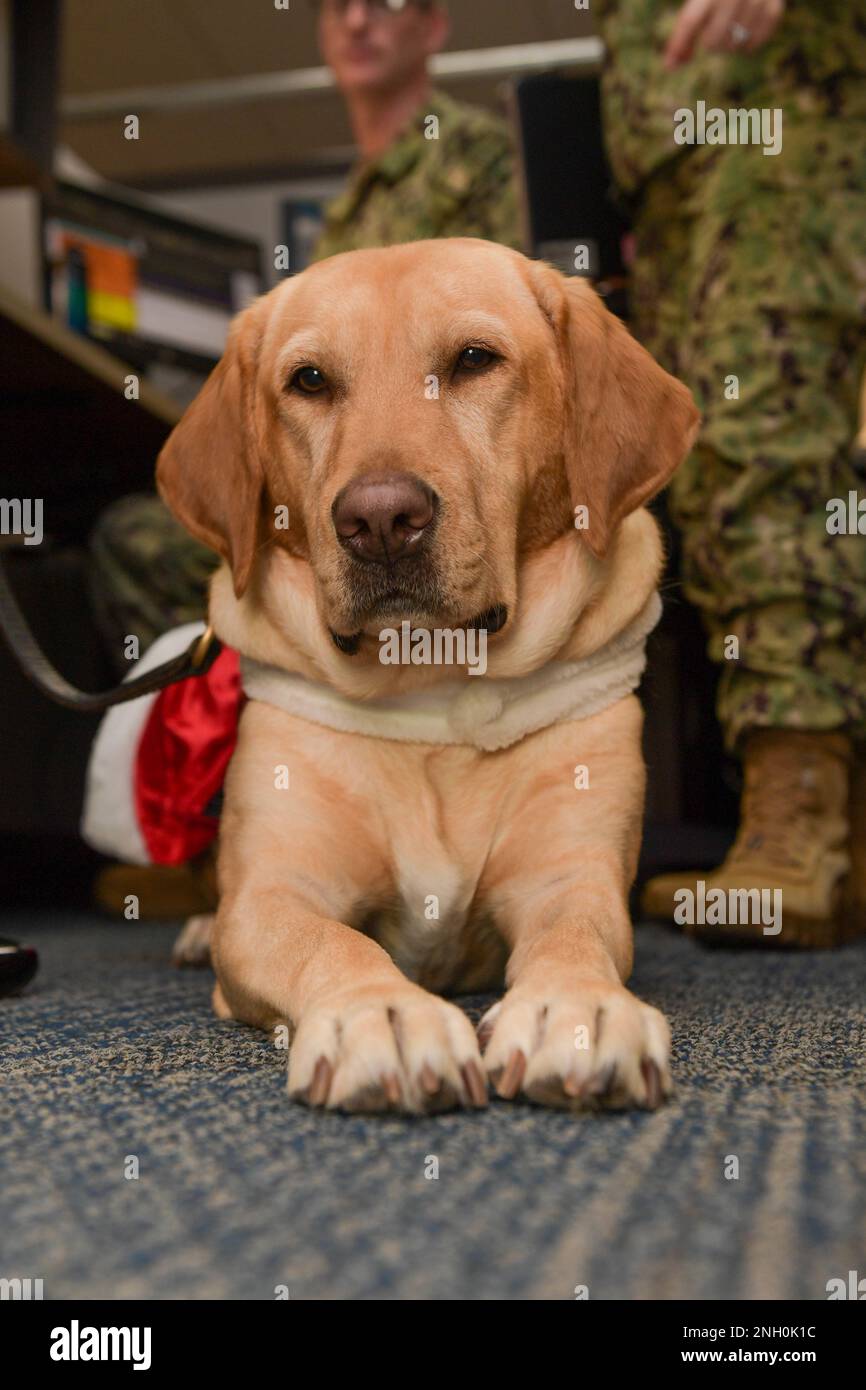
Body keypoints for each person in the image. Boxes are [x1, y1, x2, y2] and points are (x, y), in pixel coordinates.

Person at [88, 0, 521, 917]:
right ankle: (248, 831)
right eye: (337, 8)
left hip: (446, 481)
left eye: (387, 4)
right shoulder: (349, 203)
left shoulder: (476, 158)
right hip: (338, 487)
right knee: (145, 537)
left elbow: (497, 343)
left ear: (434, 28)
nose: (359, 21)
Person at [593, 0, 866, 945]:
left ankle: (799, 822)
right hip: (680, 183)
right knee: (706, 476)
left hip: (784, 130)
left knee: (767, 451)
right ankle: (838, 834)